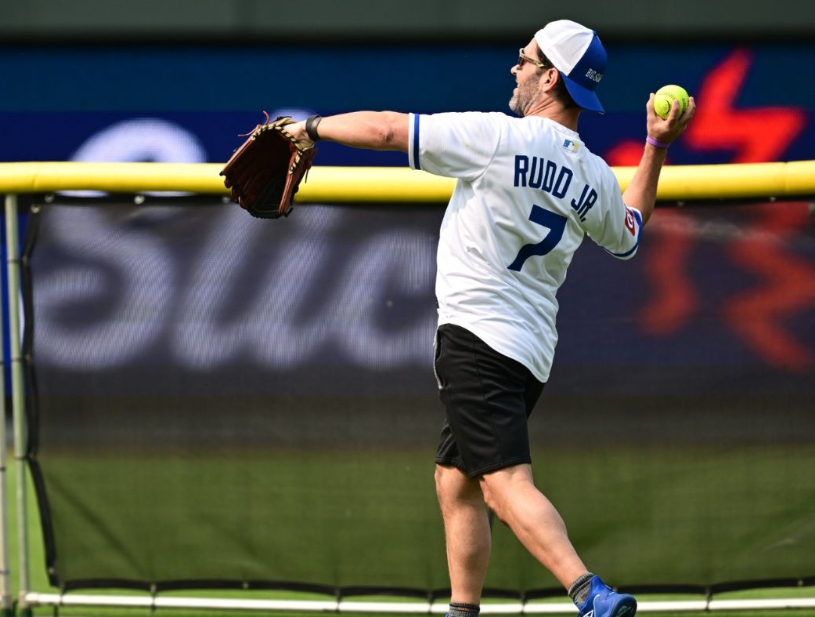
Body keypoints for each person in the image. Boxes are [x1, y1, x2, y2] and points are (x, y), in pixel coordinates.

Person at [283, 19, 694, 617]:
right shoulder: (593, 174)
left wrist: (309, 127)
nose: (515, 67)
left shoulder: (498, 137)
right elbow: (630, 229)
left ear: (550, 78)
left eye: (525, 59)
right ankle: (464, 610)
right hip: (530, 354)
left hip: (476, 337)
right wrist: (656, 145)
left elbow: (387, 130)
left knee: (504, 484)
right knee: (455, 480)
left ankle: (591, 593)